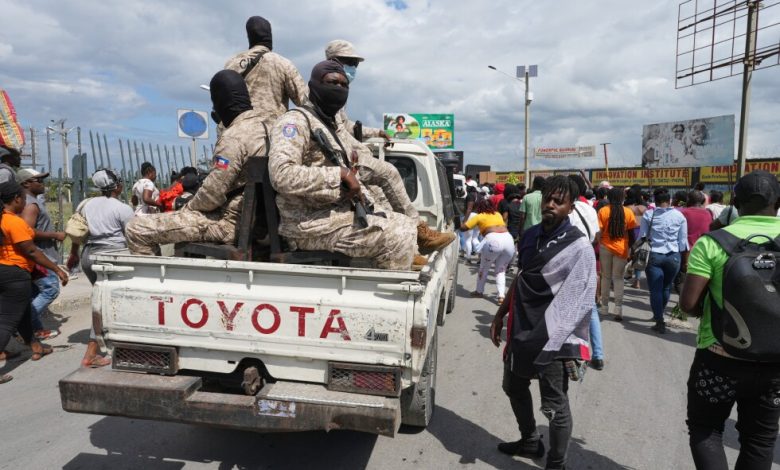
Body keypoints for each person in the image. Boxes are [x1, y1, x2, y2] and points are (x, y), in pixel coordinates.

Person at [268, 60, 453, 270]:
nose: (338, 88)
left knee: (407, 225)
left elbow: (354, 159)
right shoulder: (295, 122)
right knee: (399, 235)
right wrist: (338, 174)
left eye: (343, 85)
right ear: (313, 86)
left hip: (335, 215)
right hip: (307, 224)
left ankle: (405, 255)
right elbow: (281, 174)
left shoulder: (329, 125)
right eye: (332, 82)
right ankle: (393, 295)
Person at [490, 176, 596, 470]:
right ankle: (529, 440)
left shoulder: (579, 246)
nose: (550, 204)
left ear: (570, 207)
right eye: (548, 198)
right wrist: (501, 315)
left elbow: (584, 295)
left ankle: (556, 463)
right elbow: (522, 276)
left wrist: (563, 333)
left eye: (558, 201)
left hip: (555, 333)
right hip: (523, 326)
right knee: (513, 385)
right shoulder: (529, 235)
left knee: (554, 405)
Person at [680, 170, 780, 470]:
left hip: (719, 358)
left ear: (734, 203)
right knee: (760, 440)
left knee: (706, 429)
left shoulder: (712, 243)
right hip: (775, 363)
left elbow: (688, 305)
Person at [126, 70, 269, 256]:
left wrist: (187, 209)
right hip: (257, 223)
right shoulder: (267, 128)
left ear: (221, 103)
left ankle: (153, 282)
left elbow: (212, 194)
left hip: (229, 225)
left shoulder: (234, 137)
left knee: (136, 229)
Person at [0, 179, 69, 384]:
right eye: (22, 198)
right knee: (6, 322)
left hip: (3, 272)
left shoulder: (3, 220)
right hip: (15, 275)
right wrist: (57, 269)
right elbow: (31, 250)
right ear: (16, 199)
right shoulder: (13, 222)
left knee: (22, 314)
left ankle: (36, 346)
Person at [66, 169, 134, 367]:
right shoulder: (122, 208)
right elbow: (133, 236)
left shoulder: (86, 204)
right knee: (107, 303)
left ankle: (116, 341)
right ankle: (91, 353)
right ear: (117, 186)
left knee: (102, 300)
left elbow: (78, 231)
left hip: (89, 256)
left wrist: (73, 254)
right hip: (113, 257)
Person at [224, 16, 308, 125]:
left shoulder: (231, 64)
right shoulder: (281, 63)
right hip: (270, 135)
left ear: (249, 36)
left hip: (236, 135)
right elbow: (305, 102)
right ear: (270, 35)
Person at [18, 169, 65, 340]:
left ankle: (35, 329)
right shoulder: (30, 204)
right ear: (26, 184)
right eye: (38, 180)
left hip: (37, 255)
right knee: (51, 290)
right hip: (40, 256)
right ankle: (22, 324)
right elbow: (27, 231)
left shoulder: (30, 201)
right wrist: (55, 235)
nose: (42, 183)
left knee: (32, 293)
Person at [568, 174, 604, 370]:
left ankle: (574, 352)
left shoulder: (568, 210)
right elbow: (597, 236)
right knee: (590, 310)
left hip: (569, 260)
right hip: (588, 257)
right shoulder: (590, 209)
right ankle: (597, 354)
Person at [641, 188, 688, 334]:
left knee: (655, 289)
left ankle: (659, 319)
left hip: (655, 255)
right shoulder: (680, 216)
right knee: (666, 288)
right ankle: (659, 315)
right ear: (670, 201)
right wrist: (685, 261)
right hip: (674, 256)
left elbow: (642, 236)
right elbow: (683, 242)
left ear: (655, 201)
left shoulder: (649, 214)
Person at [324, 39, 387, 141]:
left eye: (355, 64)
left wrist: (377, 133)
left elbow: (344, 125)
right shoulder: (322, 89)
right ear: (333, 62)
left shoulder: (341, 91)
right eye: (349, 62)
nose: (353, 67)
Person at [460, 197, 514, 303]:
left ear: (479, 207)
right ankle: (501, 296)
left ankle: (479, 292)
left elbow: (463, 227)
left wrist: (468, 212)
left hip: (493, 241)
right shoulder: (498, 214)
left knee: (484, 268)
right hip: (508, 239)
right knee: (501, 270)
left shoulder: (479, 216)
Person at [597, 188, 638, 321]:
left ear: (608, 197)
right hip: (621, 249)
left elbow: (600, 231)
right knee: (619, 278)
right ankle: (618, 309)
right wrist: (630, 247)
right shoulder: (628, 212)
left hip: (605, 247)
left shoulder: (603, 211)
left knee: (606, 277)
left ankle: (604, 308)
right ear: (622, 198)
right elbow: (632, 234)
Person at [625, 185, 647, 289]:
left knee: (626, 256)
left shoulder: (626, 208)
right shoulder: (643, 208)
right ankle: (637, 281)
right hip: (640, 232)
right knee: (638, 257)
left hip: (629, 232)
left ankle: (620, 276)